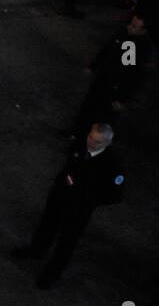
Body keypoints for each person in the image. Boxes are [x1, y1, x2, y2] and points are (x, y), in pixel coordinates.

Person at [13, 123, 126, 289]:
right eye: (91, 138)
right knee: (46, 226)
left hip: (79, 209)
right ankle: (36, 250)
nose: (91, 143)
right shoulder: (81, 145)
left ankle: (52, 273)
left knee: (67, 241)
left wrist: (89, 199)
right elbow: (69, 166)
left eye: (97, 142)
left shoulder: (112, 166)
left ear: (108, 143)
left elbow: (115, 195)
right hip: (60, 197)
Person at [69, 14, 152, 136]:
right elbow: (107, 49)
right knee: (88, 107)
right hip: (103, 78)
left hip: (115, 88)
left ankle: (90, 142)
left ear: (143, 30)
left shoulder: (143, 49)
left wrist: (122, 99)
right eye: (130, 23)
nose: (129, 27)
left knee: (102, 117)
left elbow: (137, 77)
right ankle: (76, 132)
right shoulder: (123, 33)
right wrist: (93, 66)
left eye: (134, 26)